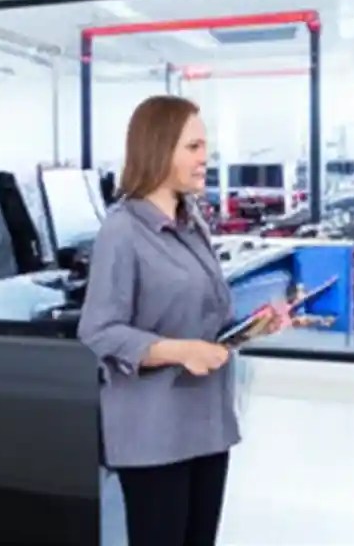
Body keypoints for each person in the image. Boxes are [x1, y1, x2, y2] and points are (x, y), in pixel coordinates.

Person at [78, 95, 289, 546]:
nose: (204, 159)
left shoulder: (192, 222)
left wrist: (256, 325)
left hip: (207, 424)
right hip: (153, 433)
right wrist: (180, 352)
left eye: (203, 147)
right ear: (159, 149)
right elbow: (99, 328)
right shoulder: (122, 231)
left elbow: (206, 318)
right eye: (193, 147)